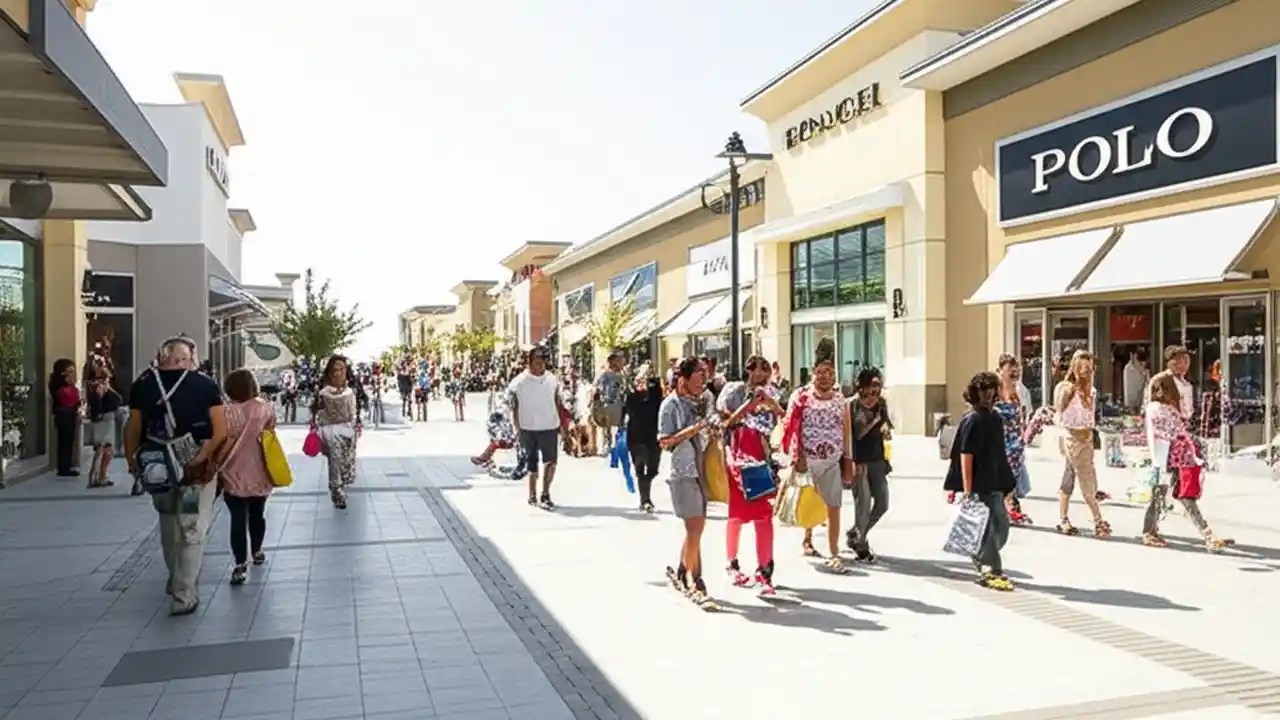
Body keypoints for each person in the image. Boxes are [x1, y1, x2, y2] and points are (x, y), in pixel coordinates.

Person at [124, 336, 226, 615]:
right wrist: (201, 458)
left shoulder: (143, 385)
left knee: (169, 523)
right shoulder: (204, 384)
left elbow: (133, 427)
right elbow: (221, 430)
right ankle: (184, 594)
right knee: (191, 527)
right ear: (188, 358)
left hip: (157, 468)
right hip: (191, 472)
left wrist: (133, 460)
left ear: (161, 357)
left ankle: (176, 577)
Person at [782, 337, 854, 573]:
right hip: (808, 459)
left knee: (834, 505)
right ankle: (808, 538)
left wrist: (848, 460)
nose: (824, 376)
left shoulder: (840, 400)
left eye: (829, 372)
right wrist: (797, 455)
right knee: (809, 502)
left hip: (832, 460)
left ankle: (834, 552)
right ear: (814, 372)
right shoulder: (801, 397)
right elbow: (791, 426)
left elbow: (846, 431)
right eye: (821, 371)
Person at [1142, 371, 1233, 552]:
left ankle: (1207, 535)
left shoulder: (1170, 408)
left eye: (1165, 388)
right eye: (1159, 388)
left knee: (1180, 496)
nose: (1162, 392)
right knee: (1165, 495)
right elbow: (1165, 432)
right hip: (1165, 457)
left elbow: (1180, 427)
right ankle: (1150, 531)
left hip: (1177, 458)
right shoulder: (1155, 408)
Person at [718, 356, 785, 595]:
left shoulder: (771, 393)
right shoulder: (733, 390)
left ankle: (765, 569)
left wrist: (769, 402)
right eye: (758, 370)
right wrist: (748, 406)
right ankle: (731, 561)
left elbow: (782, 417)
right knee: (737, 513)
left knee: (763, 514)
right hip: (737, 455)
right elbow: (725, 422)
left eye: (766, 371)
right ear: (748, 371)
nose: (762, 375)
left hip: (761, 456)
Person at [944, 371, 1016, 591]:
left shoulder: (995, 418)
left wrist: (1007, 484)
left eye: (993, 390)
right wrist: (966, 489)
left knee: (1001, 526)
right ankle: (992, 569)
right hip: (978, 483)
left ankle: (981, 555)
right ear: (976, 393)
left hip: (995, 480)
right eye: (985, 391)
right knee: (986, 528)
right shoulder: (972, 419)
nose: (990, 395)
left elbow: (1000, 452)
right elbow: (965, 454)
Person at [659, 357, 717, 608]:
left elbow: (714, 424)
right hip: (683, 471)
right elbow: (664, 441)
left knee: (696, 529)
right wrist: (694, 429)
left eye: (704, 377)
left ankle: (688, 571)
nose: (702, 382)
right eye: (698, 377)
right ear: (682, 378)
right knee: (694, 528)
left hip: (702, 470)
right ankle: (693, 578)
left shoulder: (704, 401)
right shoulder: (670, 405)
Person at [216, 369, 276, 586]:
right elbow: (271, 433)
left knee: (237, 519)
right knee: (257, 514)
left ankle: (240, 564)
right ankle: (258, 550)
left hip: (232, 471)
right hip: (260, 469)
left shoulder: (225, 411)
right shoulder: (265, 409)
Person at [1054, 350, 1110, 537]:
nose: (1087, 371)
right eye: (1083, 367)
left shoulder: (1091, 391)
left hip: (1086, 438)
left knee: (1070, 477)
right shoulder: (1066, 388)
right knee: (1086, 481)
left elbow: (1090, 417)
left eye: (1090, 367)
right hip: (1072, 437)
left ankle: (1063, 518)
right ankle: (1098, 520)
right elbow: (1059, 414)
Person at [508, 346, 565, 509]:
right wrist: (517, 428)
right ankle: (532, 494)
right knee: (531, 464)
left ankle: (545, 493)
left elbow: (557, 402)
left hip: (549, 426)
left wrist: (562, 425)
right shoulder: (518, 382)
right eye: (537, 362)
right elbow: (514, 406)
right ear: (530, 362)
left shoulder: (552, 379)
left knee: (551, 462)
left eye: (543, 362)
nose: (540, 366)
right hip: (528, 428)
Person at [848, 366, 892, 562]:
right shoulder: (852, 405)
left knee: (882, 503)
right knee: (863, 504)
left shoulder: (881, 404)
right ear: (861, 388)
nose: (875, 394)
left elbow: (885, 423)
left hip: (878, 459)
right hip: (859, 461)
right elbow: (856, 434)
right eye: (871, 389)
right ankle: (861, 542)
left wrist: (884, 427)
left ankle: (855, 533)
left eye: (878, 388)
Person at [312, 356, 361, 509]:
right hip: (330, 430)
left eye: (341, 369)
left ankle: (340, 483)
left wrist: (356, 424)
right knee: (335, 458)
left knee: (346, 461)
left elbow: (355, 411)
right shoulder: (323, 392)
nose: (338, 373)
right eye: (335, 370)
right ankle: (336, 489)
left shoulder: (351, 391)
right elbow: (317, 413)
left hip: (348, 429)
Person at [994, 354, 1033, 525]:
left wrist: (1025, 434)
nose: (1014, 372)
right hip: (1001, 439)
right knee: (1004, 475)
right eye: (1009, 368)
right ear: (1000, 371)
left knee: (1014, 474)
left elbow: (1024, 414)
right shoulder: (995, 391)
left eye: (1016, 368)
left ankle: (1011, 506)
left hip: (1016, 441)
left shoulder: (1021, 391)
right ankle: (1006, 507)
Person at [622, 363, 663, 513]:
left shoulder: (655, 393)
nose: (642, 383)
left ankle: (645, 492)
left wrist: (651, 379)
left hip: (653, 435)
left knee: (653, 469)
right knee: (640, 469)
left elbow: (658, 392)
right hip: (636, 436)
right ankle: (645, 499)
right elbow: (626, 408)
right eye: (639, 380)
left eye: (645, 379)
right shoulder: (632, 396)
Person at [86, 363, 122, 488]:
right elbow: (116, 400)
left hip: (105, 420)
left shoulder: (96, 386)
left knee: (105, 450)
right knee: (103, 449)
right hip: (104, 421)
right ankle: (97, 476)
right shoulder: (99, 387)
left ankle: (100, 475)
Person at [48, 358, 81, 477]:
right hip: (64, 415)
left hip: (68, 415)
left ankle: (66, 465)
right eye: (70, 371)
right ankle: (64, 467)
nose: (73, 375)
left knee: (68, 442)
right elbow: (70, 400)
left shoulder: (67, 387)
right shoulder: (61, 388)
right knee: (65, 442)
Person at [594, 350, 627, 456]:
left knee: (620, 425)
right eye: (617, 360)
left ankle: (620, 445)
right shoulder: (605, 374)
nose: (620, 362)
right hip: (607, 402)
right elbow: (598, 387)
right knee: (606, 426)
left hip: (619, 403)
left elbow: (625, 388)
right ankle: (606, 445)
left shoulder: (622, 374)